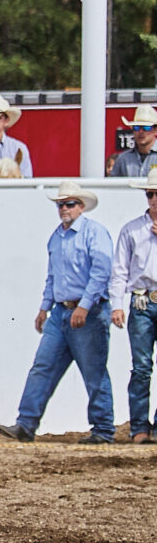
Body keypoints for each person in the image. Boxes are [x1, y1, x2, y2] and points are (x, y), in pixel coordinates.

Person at [0, 181, 117, 445]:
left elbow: (101, 273)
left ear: (81, 207)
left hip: (87, 311)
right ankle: (26, 424)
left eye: (70, 203)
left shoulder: (94, 233)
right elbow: (53, 276)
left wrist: (84, 306)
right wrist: (44, 307)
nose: (64, 208)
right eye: (61, 204)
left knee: (93, 370)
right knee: (43, 366)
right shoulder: (57, 236)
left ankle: (103, 429)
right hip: (62, 311)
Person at [109, 171, 157, 445]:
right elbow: (120, 271)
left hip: (145, 301)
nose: (154, 199)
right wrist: (117, 305)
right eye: (150, 194)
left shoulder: (133, 229)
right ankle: (140, 427)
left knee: (143, 367)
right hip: (142, 300)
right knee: (141, 367)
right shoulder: (132, 230)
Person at [112, 106, 157, 179]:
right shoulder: (123, 159)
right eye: (136, 127)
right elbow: (113, 187)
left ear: (155, 130)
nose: (141, 132)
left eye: (146, 127)